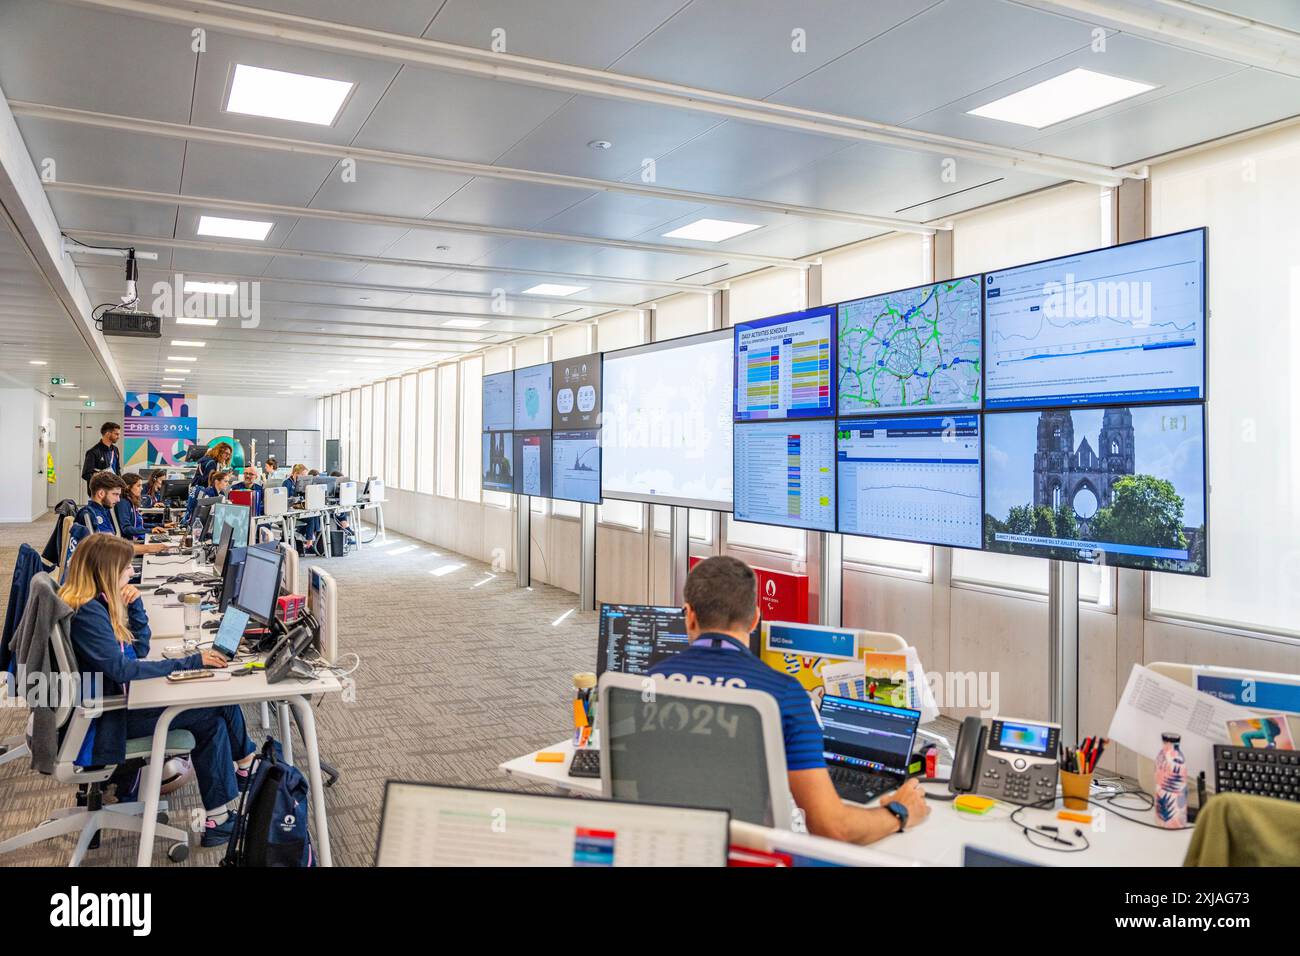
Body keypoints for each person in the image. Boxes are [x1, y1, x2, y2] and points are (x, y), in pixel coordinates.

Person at [646, 556, 930, 845]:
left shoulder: (646, 685)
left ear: (690, 615)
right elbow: (833, 827)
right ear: (756, 619)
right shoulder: (785, 695)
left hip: (656, 852)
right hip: (748, 859)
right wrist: (899, 812)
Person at [60, 534, 257, 846]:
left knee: (213, 712)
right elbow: (124, 669)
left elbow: (137, 651)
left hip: (107, 705)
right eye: (125, 568)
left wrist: (136, 606)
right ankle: (242, 776)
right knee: (212, 709)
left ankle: (224, 809)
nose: (131, 573)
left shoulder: (94, 604)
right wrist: (189, 663)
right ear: (107, 571)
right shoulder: (88, 614)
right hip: (102, 722)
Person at [76, 472, 167, 555]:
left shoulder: (104, 511)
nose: (118, 499)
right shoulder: (94, 515)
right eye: (115, 494)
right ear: (101, 493)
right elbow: (110, 548)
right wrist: (148, 549)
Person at [80, 422, 122, 494]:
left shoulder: (115, 450)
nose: (118, 437)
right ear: (108, 434)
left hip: (113, 491)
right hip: (99, 492)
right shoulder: (93, 452)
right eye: (116, 434)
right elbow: (86, 474)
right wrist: (103, 478)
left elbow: (117, 470)